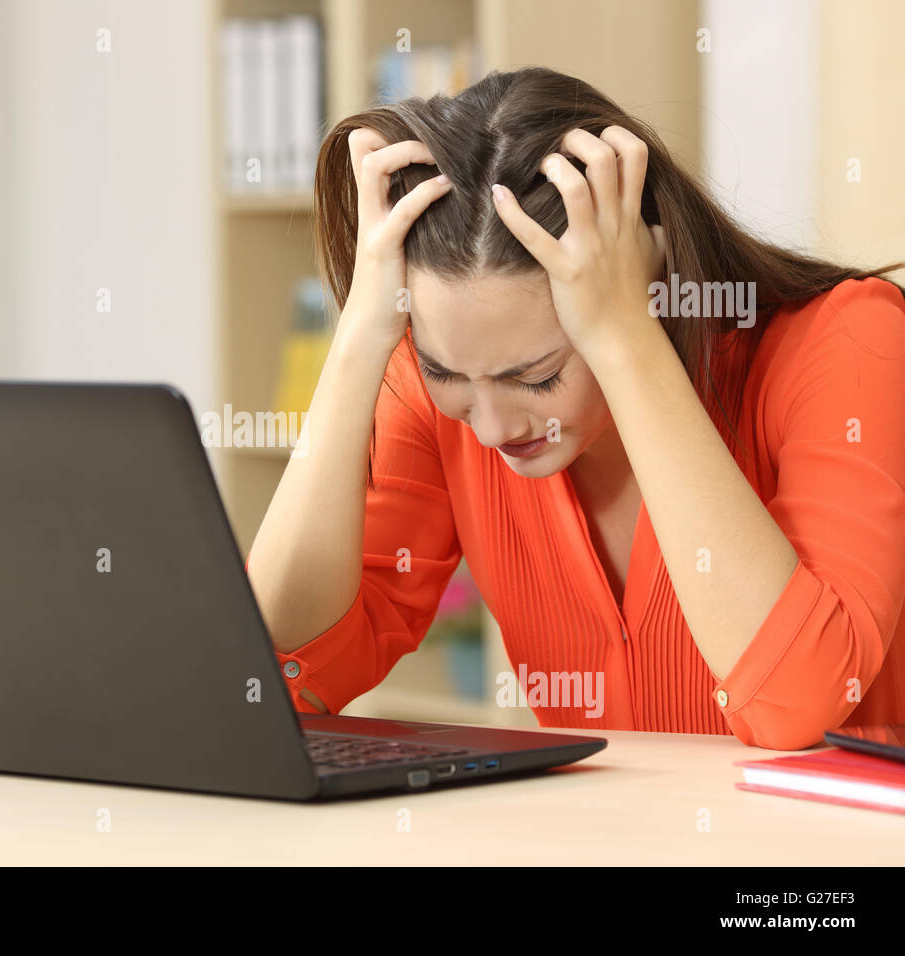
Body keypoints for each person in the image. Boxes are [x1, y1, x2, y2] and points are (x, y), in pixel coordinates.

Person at [245, 67, 905, 750]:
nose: (492, 428)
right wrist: (357, 342)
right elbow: (275, 678)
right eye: (446, 373)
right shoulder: (446, 390)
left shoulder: (848, 340)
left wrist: (626, 339)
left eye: (536, 378)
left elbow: (798, 705)